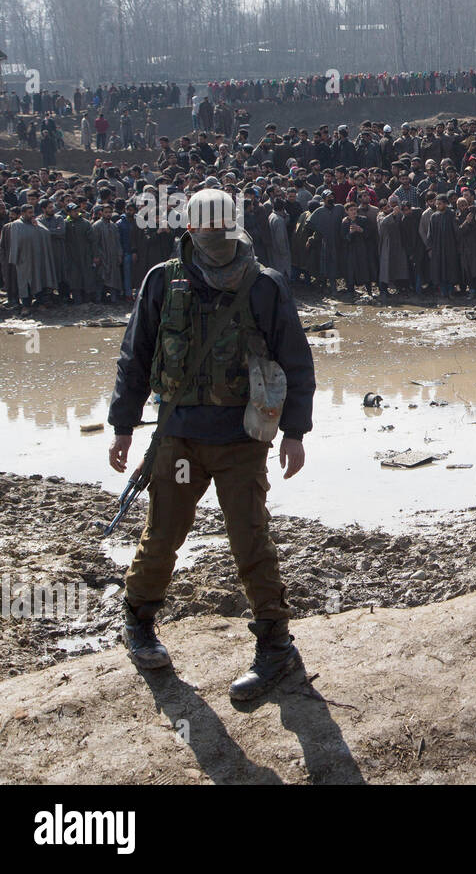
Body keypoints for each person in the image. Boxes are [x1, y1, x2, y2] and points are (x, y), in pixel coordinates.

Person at [107, 188, 315, 702]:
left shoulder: (265, 286)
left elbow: (296, 360)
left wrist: (295, 432)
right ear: (190, 228)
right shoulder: (164, 280)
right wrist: (123, 426)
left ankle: (275, 645)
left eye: (221, 224)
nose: (214, 234)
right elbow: (135, 356)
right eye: (204, 224)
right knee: (163, 536)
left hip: (243, 440)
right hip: (178, 438)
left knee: (251, 541)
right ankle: (138, 622)